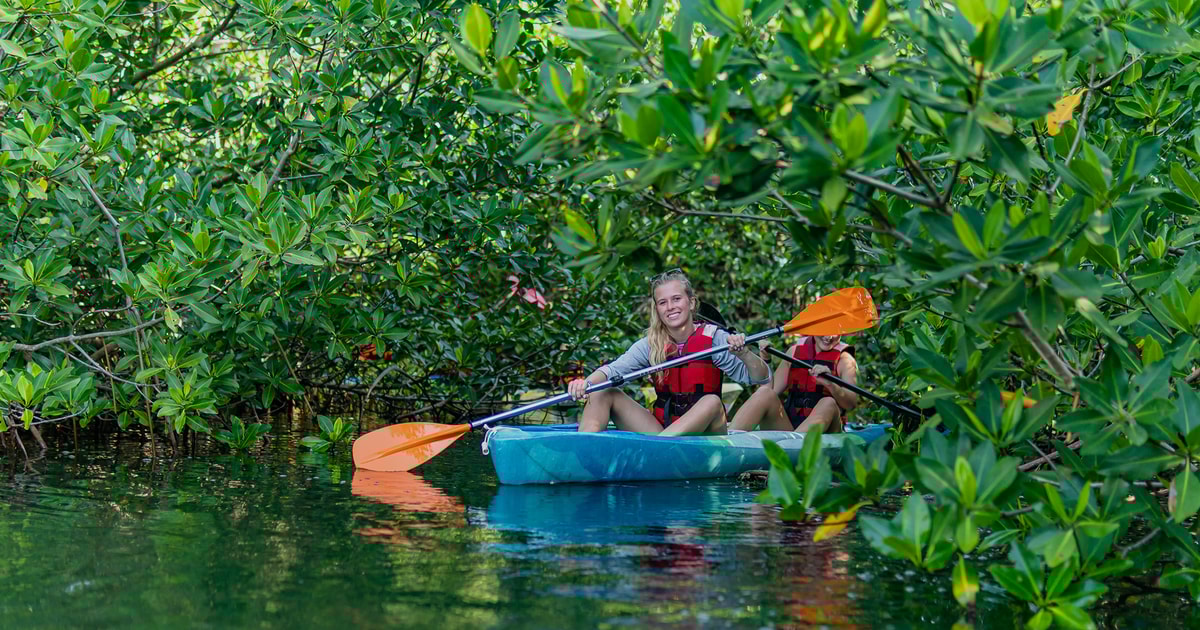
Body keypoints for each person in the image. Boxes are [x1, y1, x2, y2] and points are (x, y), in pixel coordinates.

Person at [566, 269, 771, 435]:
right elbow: (611, 371)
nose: (670, 307)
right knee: (603, 390)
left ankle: (658, 449)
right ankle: (585, 452)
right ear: (657, 309)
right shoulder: (651, 344)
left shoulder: (715, 339)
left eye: (676, 299)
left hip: (706, 435)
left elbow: (760, 379)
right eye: (663, 302)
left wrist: (744, 354)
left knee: (712, 401)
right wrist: (586, 384)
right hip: (664, 429)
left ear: (691, 303)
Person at [729, 334, 859, 433]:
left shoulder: (845, 360)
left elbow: (851, 404)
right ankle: (729, 442)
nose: (829, 336)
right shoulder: (794, 352)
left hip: (827, 432)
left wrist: (831, 384)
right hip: (790, 429)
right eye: (824, 329)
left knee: (828, 403)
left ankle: (796, 447)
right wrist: (766, 359)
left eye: (835, 331)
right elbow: (770, 390)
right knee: (764, 393)